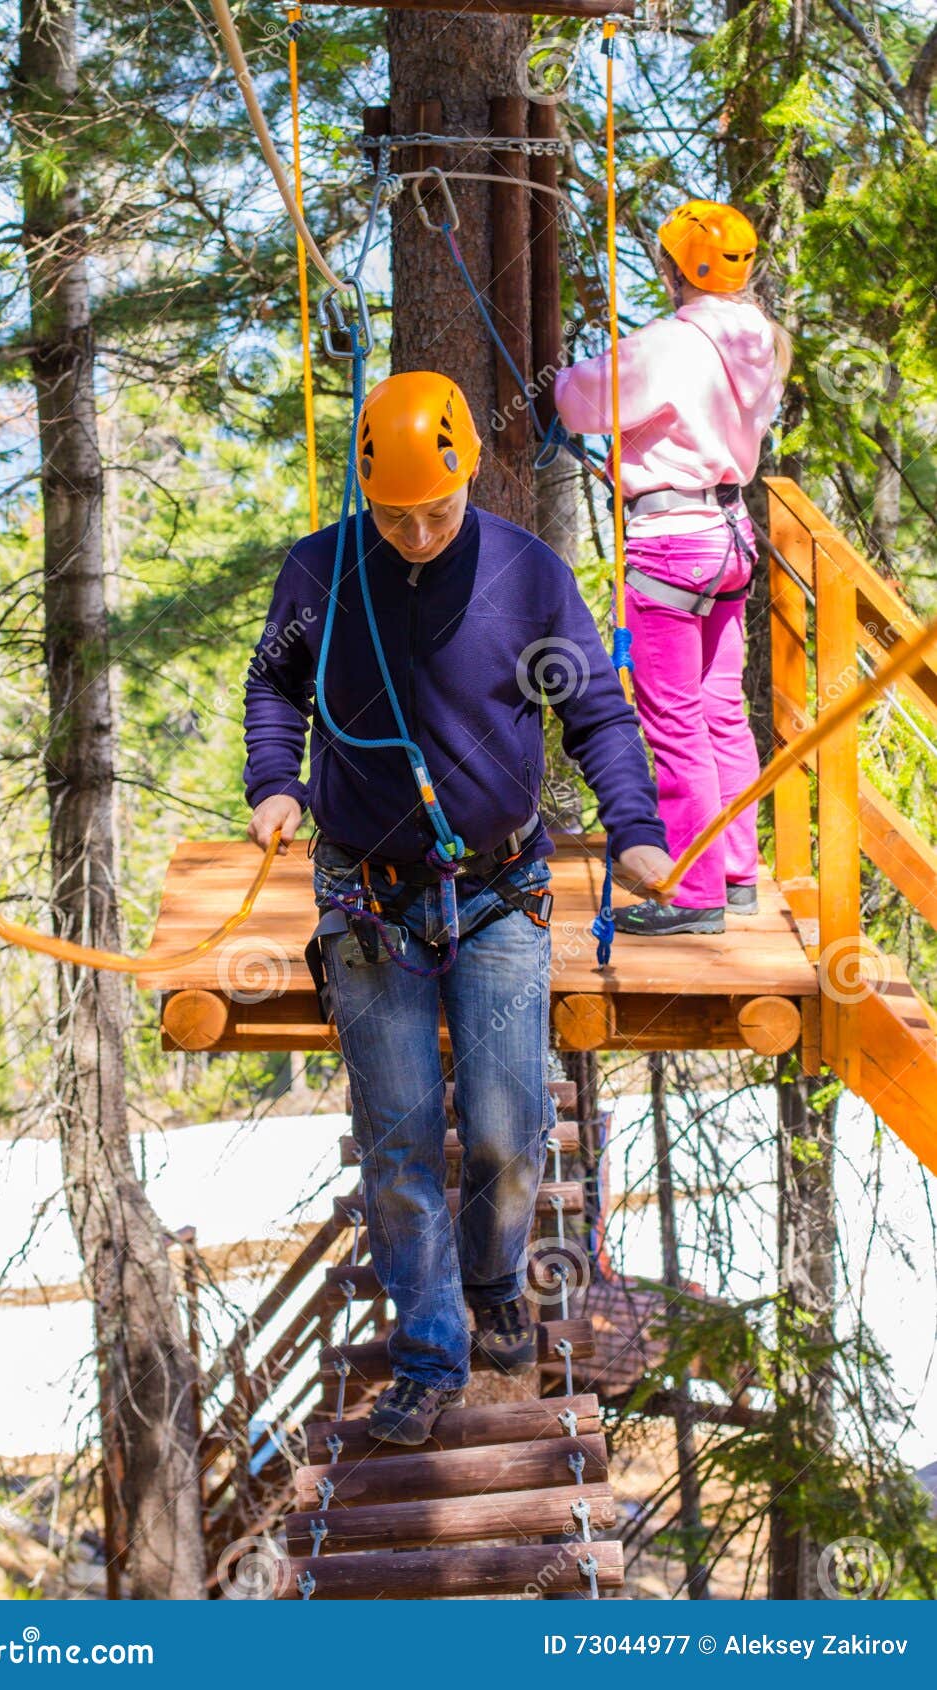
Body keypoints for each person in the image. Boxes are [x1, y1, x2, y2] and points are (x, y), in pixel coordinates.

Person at [243, 370, 673, 1446]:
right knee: (396, 1144)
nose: (420, 533)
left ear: (468, 477)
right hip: (368, 893)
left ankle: (492, 1278)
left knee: (503, 1132)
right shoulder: (322, 573)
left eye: (436, 509)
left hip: (498, 888)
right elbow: (273, 684)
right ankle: (429, 1351)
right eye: (395, 515)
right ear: (366, 494)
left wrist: (633, 828)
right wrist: (273, 781)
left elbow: (595, 712)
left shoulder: (525, 578)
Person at [555, 199, 792, 936]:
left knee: (674, 720)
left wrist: (563, 380)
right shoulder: (759, 340)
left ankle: (691, 891)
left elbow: (580, 402)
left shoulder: (671, 344)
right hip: (727, 534)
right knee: (722, 713)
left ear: (673, 267)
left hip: (672, 543)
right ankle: (736, 872)